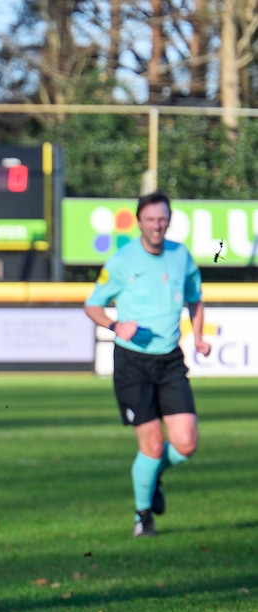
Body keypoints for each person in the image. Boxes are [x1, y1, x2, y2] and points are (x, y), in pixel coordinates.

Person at [84, 191, 211, 538]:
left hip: (170, 360)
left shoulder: (180, 256)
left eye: (163, 218)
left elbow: (195, 299)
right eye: (151, 219)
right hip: (132, 362)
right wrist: (114, 325)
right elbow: (92, 305)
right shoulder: (122, 260)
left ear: (169, 220)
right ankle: (143, 516)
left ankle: (152, 475)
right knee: (152, 444)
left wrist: (198, 338)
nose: (157, 225)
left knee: (186, 444)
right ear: (139, 221)